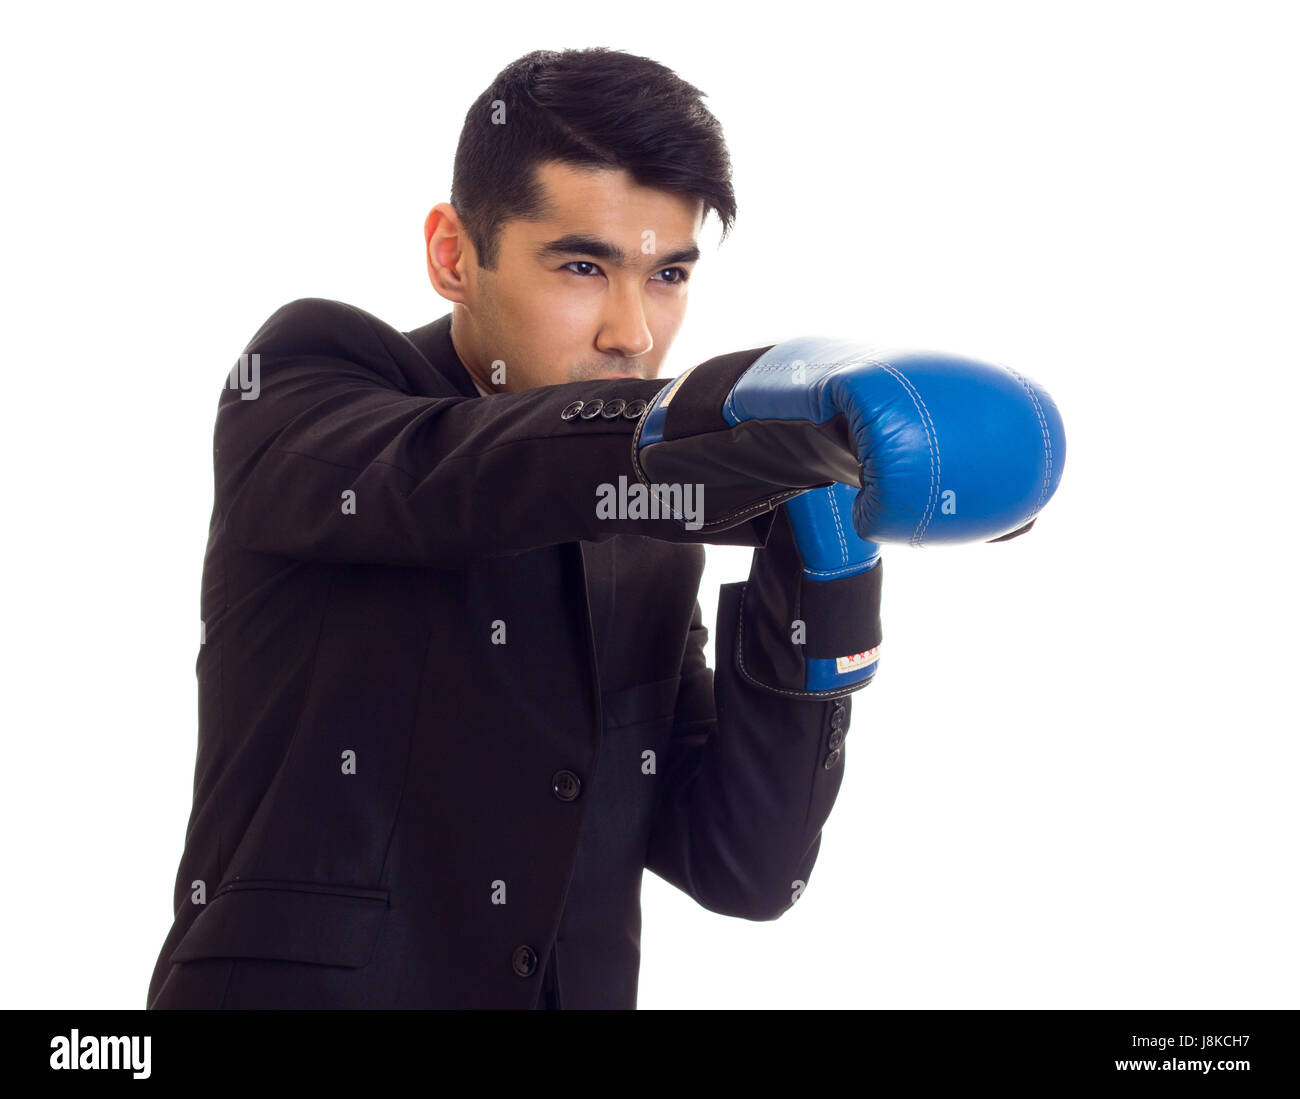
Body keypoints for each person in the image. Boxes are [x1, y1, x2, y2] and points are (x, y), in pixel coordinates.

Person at [146, 47, 1051, 1011]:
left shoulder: (654, 529)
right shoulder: (311, 381)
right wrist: (736, 421)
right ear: (455, 254)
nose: (633, 331)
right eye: (583, 265)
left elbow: (741, 864)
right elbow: (467, 474)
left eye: (668, 274)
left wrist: (822, 565)